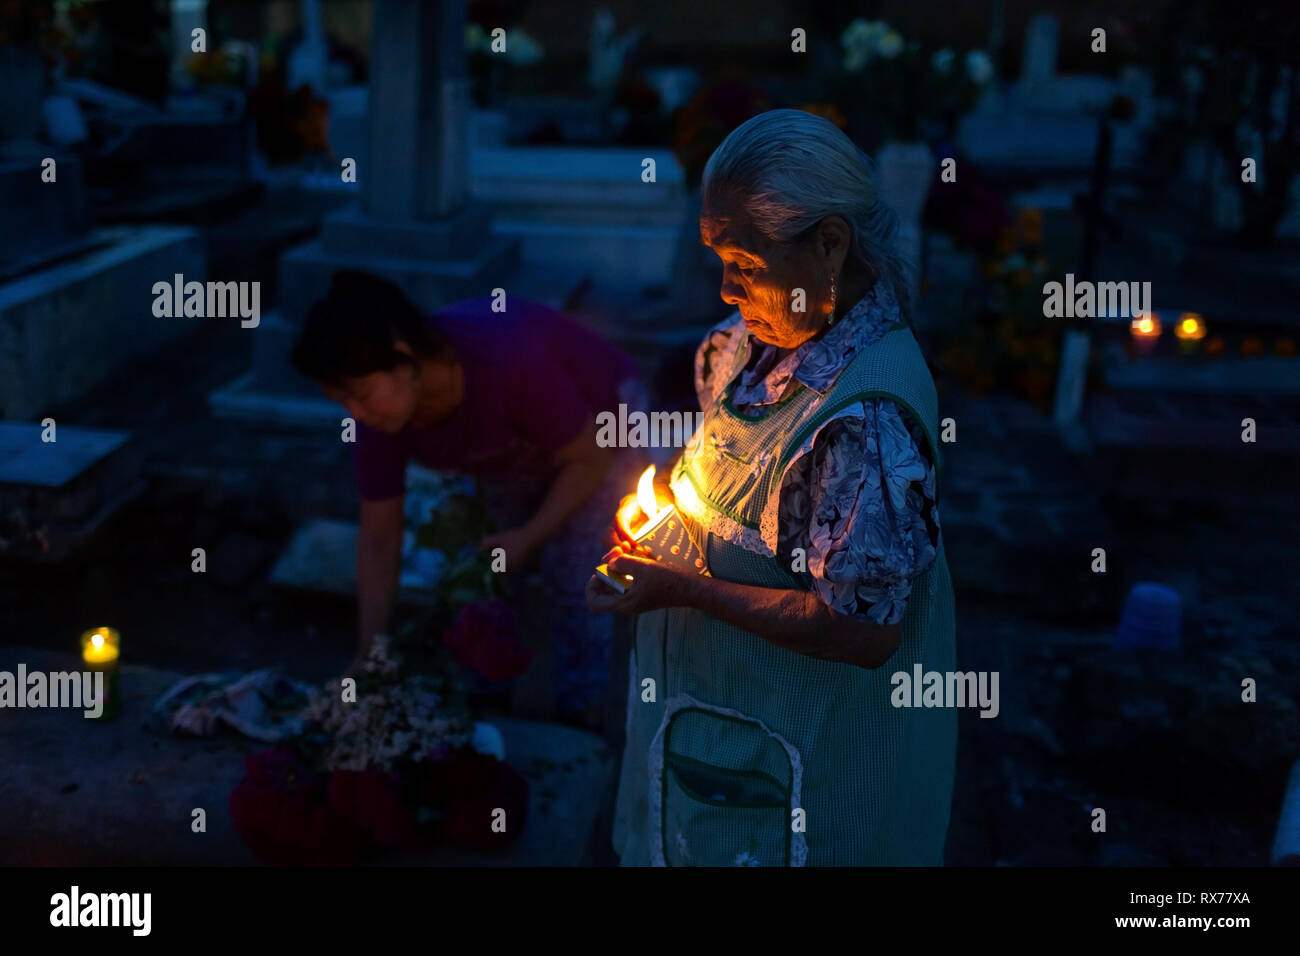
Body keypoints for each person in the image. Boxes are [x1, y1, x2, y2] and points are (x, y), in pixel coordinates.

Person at [588, 109, 957, 865]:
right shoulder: (740, 348)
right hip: (706, 746)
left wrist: (684, 590)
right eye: (718, 258)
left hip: (809, 778)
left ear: (829, 245)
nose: (726, 288)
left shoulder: (865, 421)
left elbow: (860, 629)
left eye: (746, 265)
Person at [291, 271, 646, 729]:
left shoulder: (507, 363)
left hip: (600, 427)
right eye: (343, 401)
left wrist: (530, 535)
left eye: (359, 394)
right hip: (515, 446)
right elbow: (380, 536)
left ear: (404, 356)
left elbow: (590, 458)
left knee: (575, 574)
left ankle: (580, 716)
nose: (355, 415)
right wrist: (369, 654)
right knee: (481, 573)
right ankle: (483, 704)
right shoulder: (379, 418)